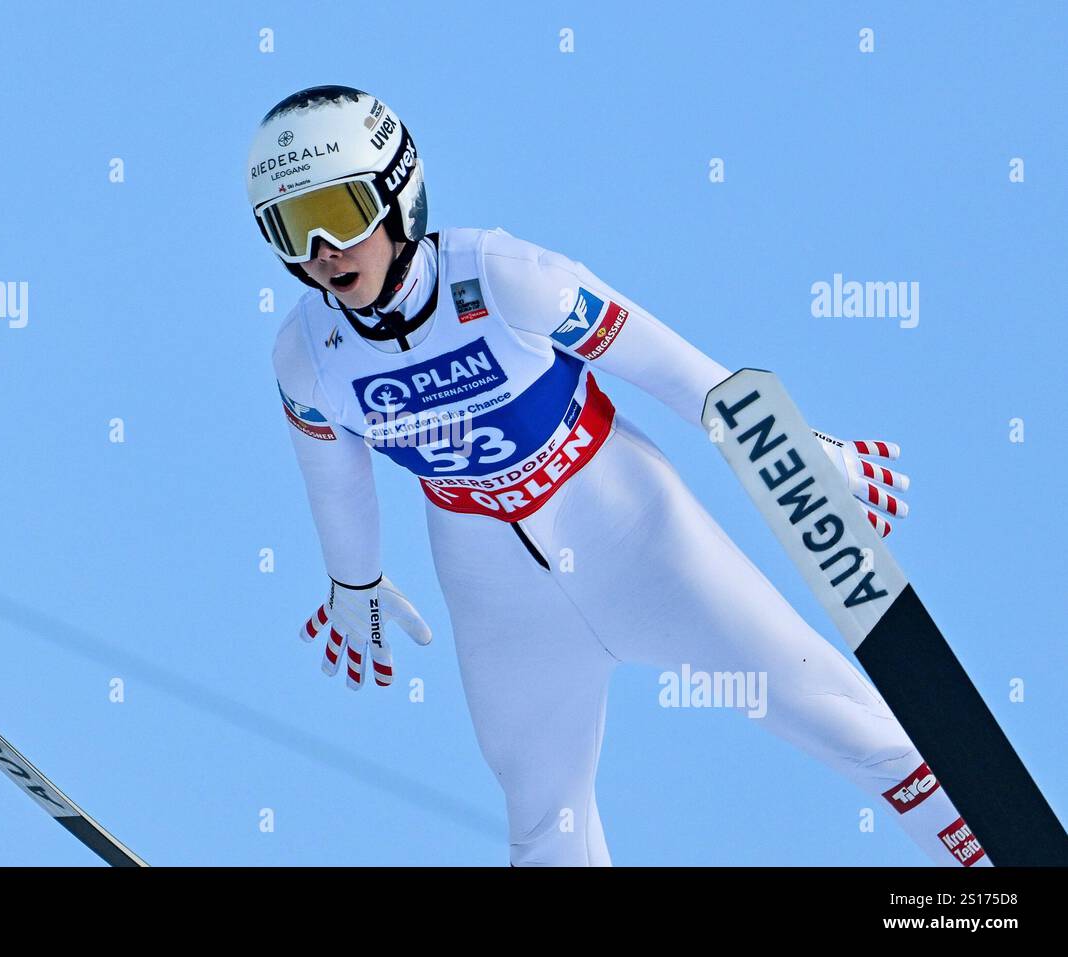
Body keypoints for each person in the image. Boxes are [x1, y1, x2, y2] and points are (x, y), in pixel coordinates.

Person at [247, 84, 987, 867]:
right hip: (498, 596)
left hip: (634, 538)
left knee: (849, 725)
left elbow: (681, 375)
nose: (323, 247)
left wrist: (799, 452)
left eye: (344, 211)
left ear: (400, 196)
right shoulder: (307, 359)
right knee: (543, 827)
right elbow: (336, 480)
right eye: (295, 225)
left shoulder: (504, 277)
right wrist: (354, 581)